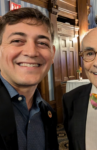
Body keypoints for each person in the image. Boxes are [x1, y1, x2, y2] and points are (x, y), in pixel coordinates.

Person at [0, 8, 58, 150]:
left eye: (42, 43)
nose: (31, 52)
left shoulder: (48, 112)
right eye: (17, 40)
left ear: (53, 54)